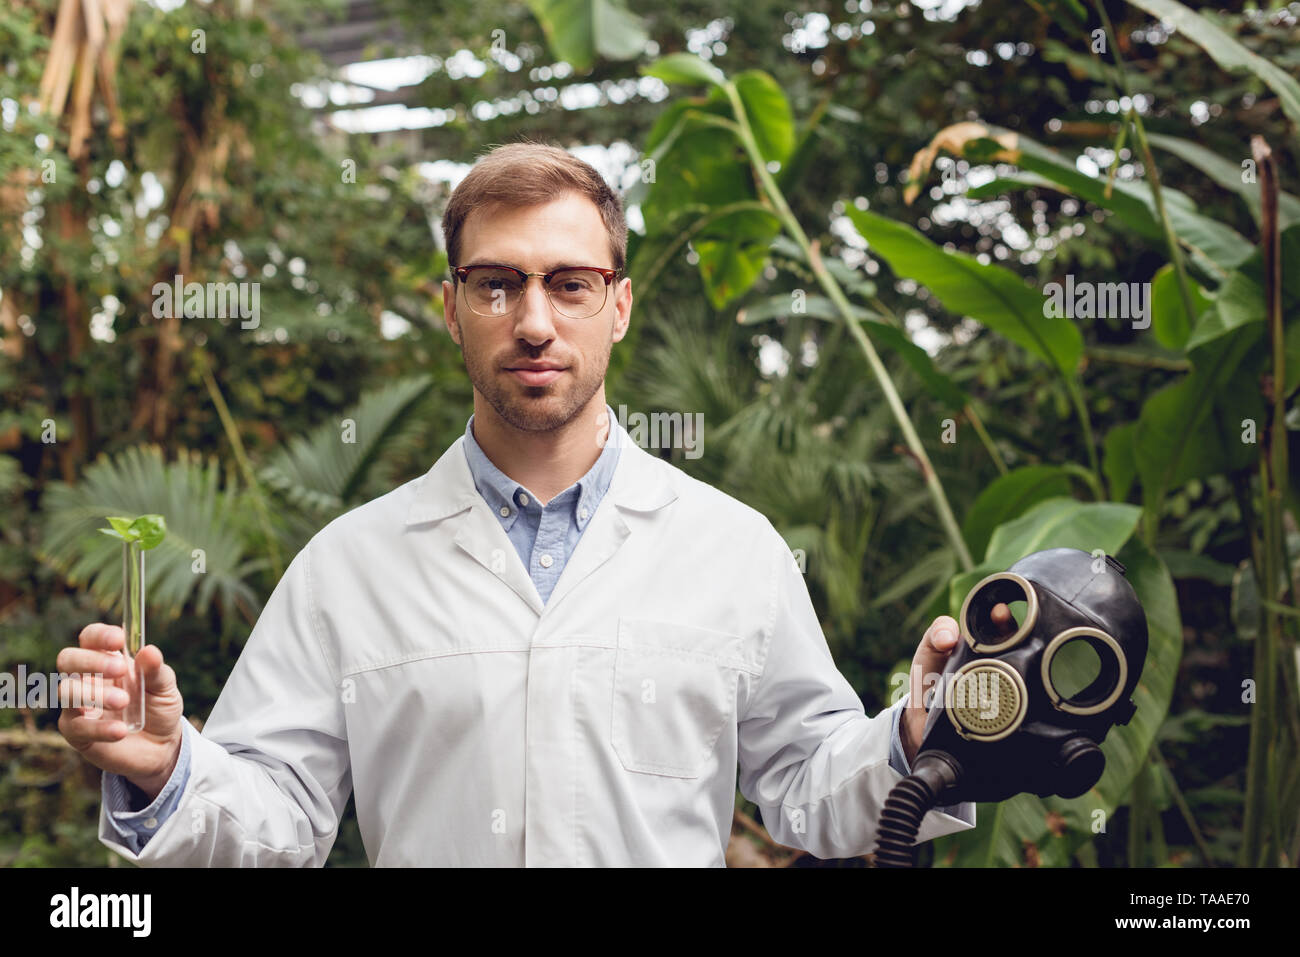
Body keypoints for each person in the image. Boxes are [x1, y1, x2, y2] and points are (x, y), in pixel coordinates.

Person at [56, 141, 975, 866]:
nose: (534, 321)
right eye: (496, 283)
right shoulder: (348, 567)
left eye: (570, 284)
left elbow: (810, 788)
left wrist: (917, 733)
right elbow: (280, 816)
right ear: (452, 308)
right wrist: (172, 770)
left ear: (617, 305)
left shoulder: (732, 549)